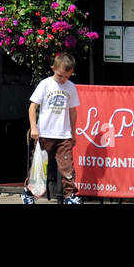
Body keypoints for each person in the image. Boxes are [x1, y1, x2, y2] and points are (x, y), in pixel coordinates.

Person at [24, 52, 81, 205]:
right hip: (45, 133)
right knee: (39, 166)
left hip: (64, 135)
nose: (63, 80)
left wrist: (73, 133)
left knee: (67, 168)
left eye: (67, 76)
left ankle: (70, 196)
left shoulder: (71, 87)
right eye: (61, 75)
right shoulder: (45, 84)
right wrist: (34, 128)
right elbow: (32, 107)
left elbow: (73, 111)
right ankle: (29, 193)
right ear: (53, 68)